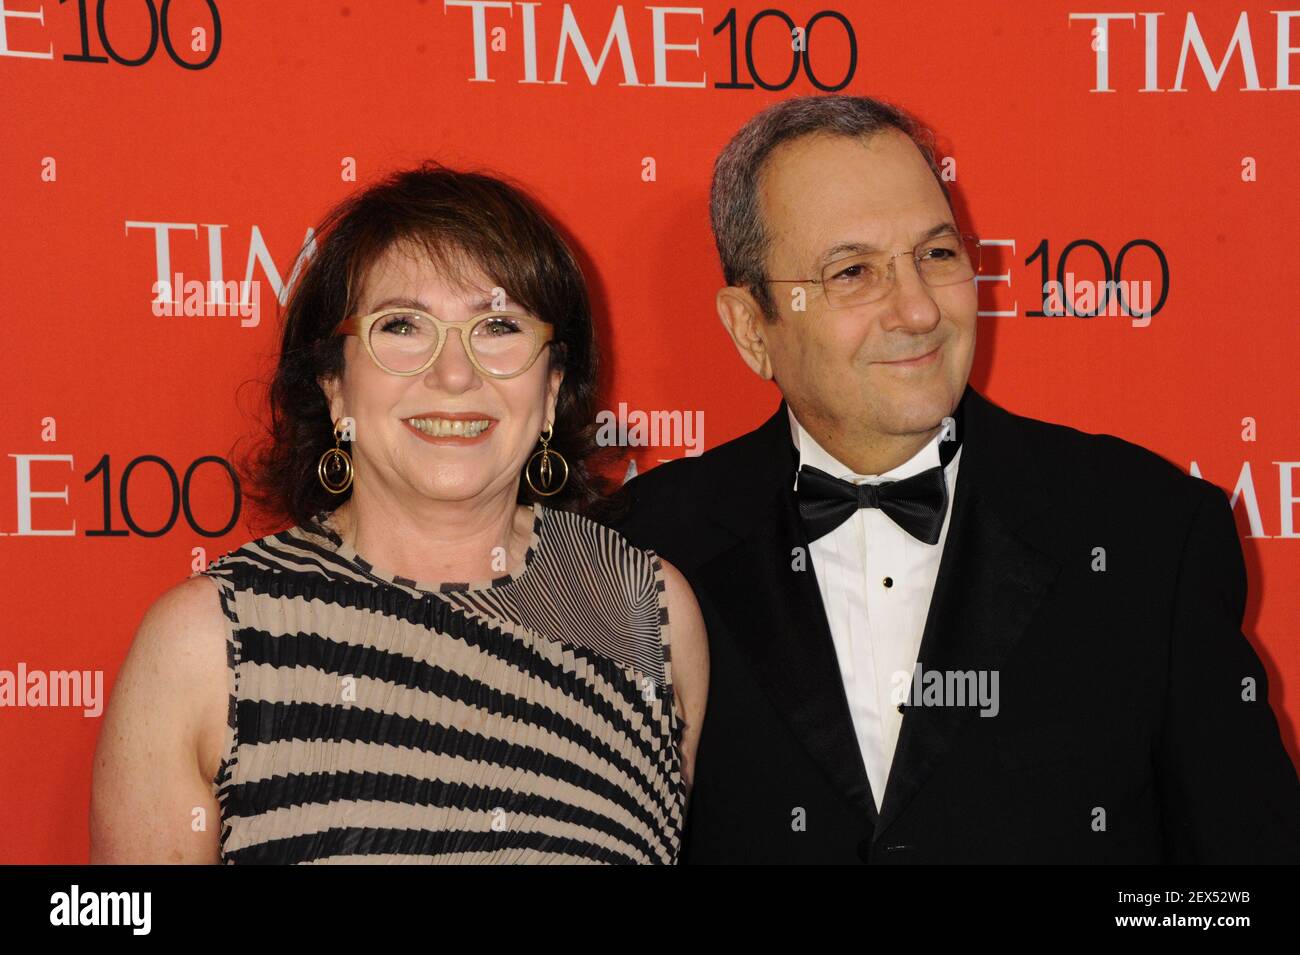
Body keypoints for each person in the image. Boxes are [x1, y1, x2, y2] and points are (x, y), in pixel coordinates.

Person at [612, 95, 1300, 863]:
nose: (915, 310)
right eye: (853, 272)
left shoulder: (1146, 532)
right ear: (750, 328)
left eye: (936, 255)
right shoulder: (638, 550)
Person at [90, 163, 708, 865]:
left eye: (498, 325)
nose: (453, 374)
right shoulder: (208, 642)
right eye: (403, 325)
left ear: (553, 384)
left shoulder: (644, 611)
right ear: (335, 385)